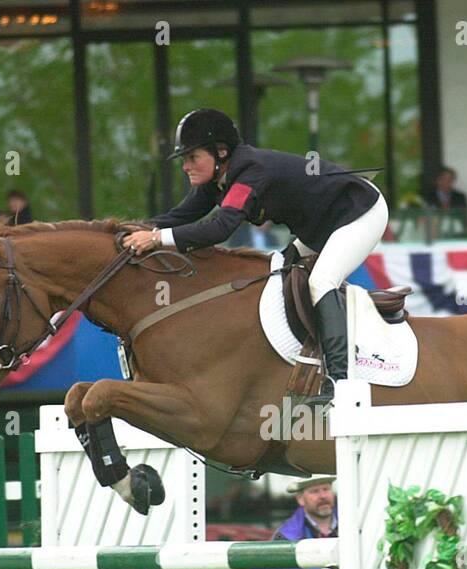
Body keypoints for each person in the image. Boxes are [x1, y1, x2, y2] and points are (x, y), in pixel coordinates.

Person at [126, 108, 388, 405]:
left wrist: (156, 238)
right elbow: (179, 216)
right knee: (281, 274)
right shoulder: (217, 178)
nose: (185, 166)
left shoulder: (250, 172)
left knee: (321, 282)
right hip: (322, 225)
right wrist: (131, 231)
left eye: (192, 157)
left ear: (221, 152)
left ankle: (342, 385)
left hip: (358, 212)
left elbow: (221, 227)